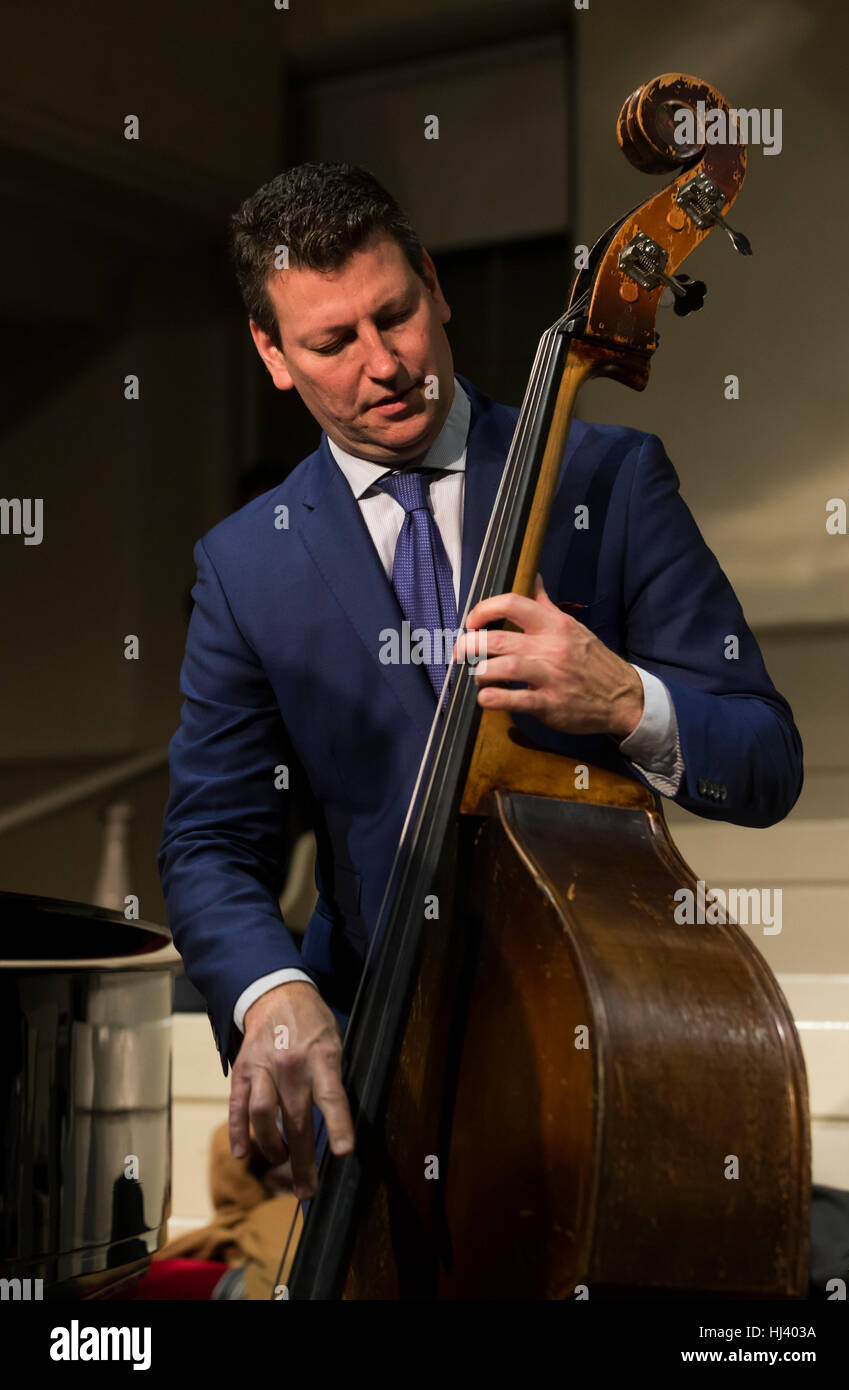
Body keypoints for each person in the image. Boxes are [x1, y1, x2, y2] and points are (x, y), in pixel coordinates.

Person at [158, 161, 803, 1208]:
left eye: (395, 314)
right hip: (383, 1056)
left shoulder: (610, 478)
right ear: (272, 357)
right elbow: (208, 842)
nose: (384, 364)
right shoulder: (247, 564)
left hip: (603, 1033)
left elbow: (767, 762)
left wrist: (627, 701)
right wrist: (273, 992)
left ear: (432, 285)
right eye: (331, 342)